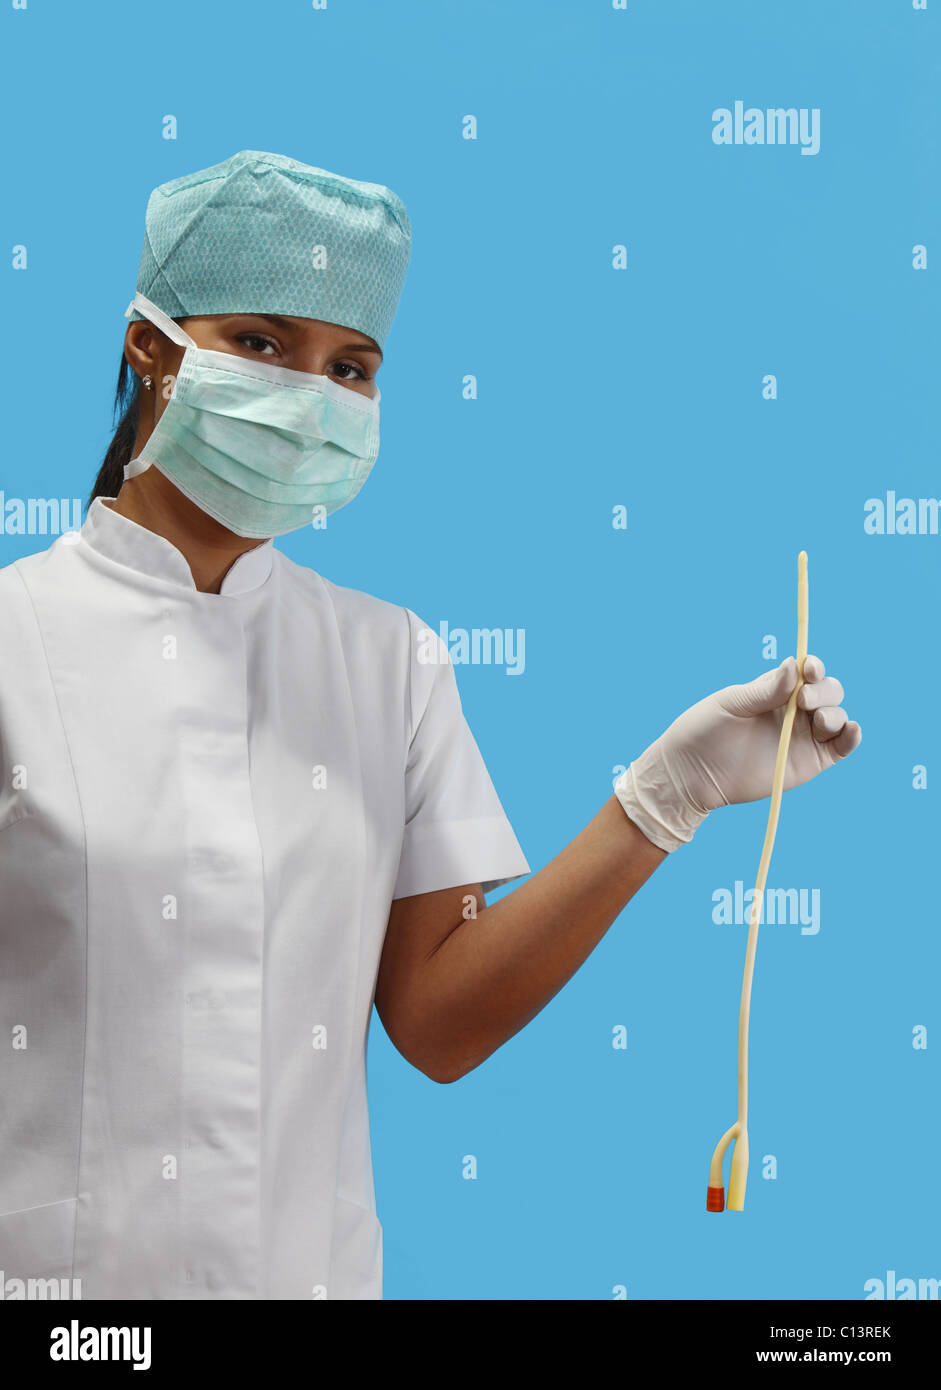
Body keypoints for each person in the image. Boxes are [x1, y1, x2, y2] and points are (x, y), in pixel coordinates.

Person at [0, 149, 861, 1302]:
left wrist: (667, 794)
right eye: (260, 344)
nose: (309, 393)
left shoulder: (386, 660)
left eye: (350, 366)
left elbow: (440, 1023)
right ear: (148, 347)